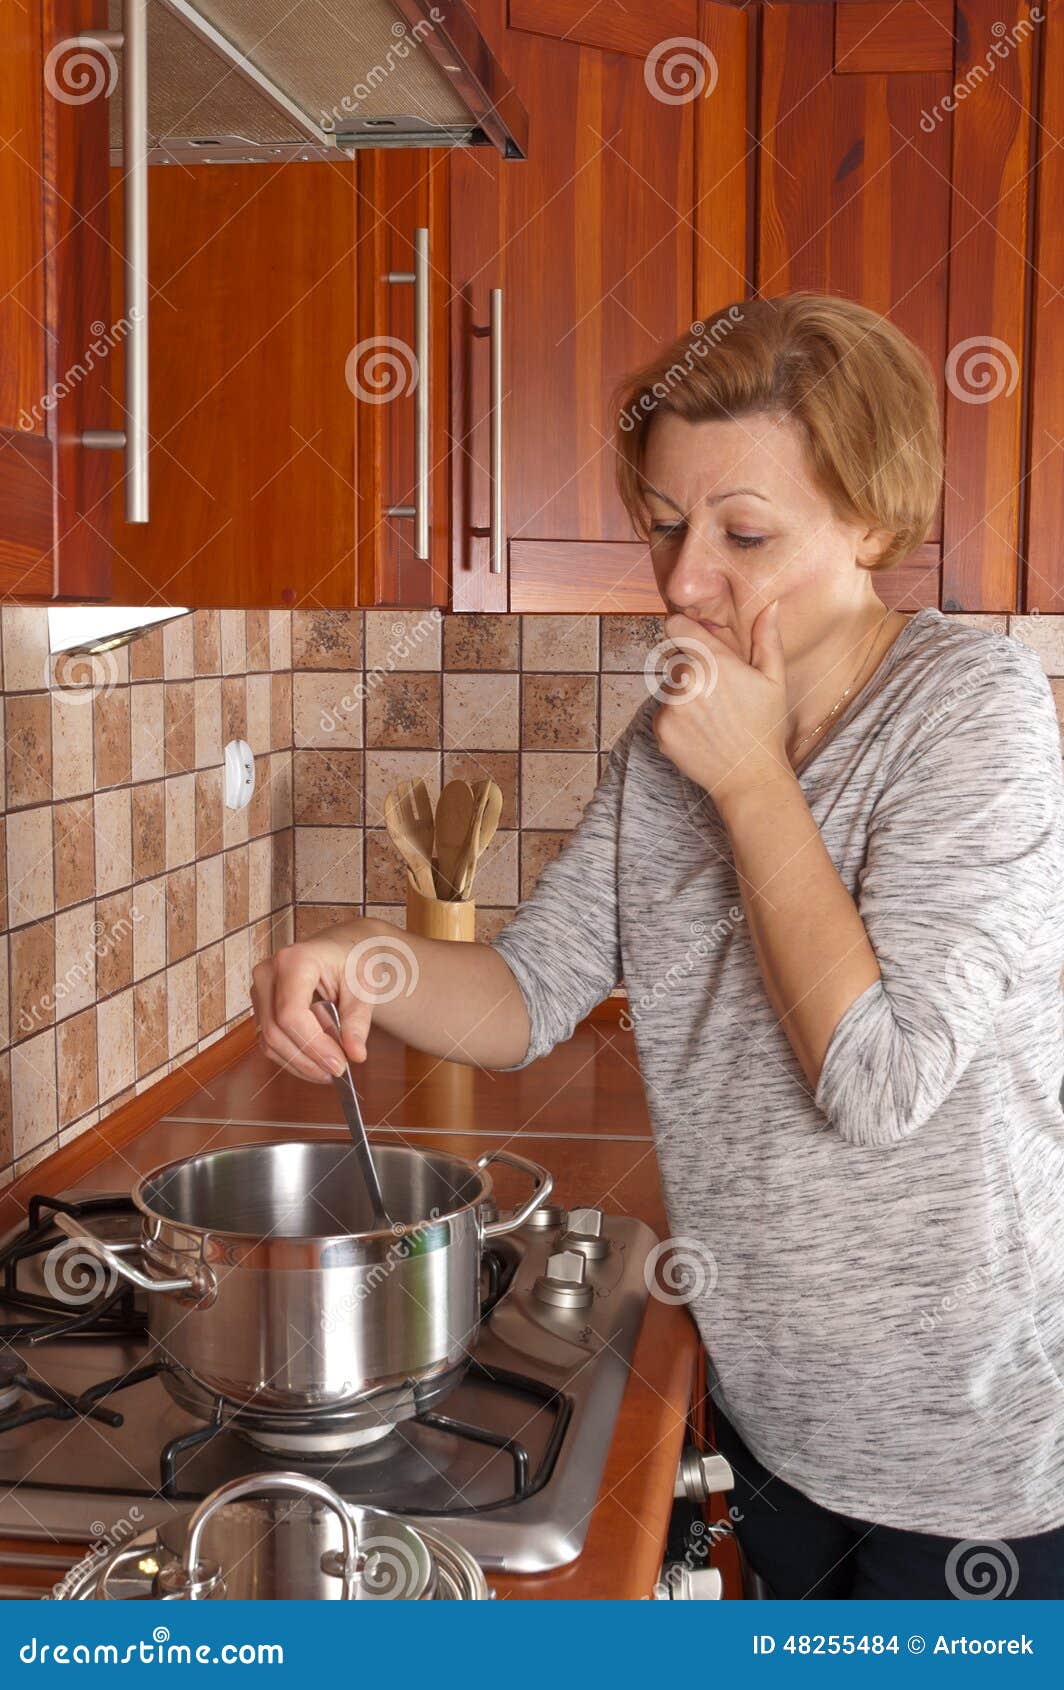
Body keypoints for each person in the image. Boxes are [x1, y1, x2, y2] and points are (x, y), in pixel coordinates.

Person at [252, 292, 1064, 1599]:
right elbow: (526, 993)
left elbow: (879, 1080)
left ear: (869, 520)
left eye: (745, 532)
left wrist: (752, 780)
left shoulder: (973, 711)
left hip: (965, 1474)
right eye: (667, 526)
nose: (686, 581)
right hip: (770, 1421)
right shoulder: (672, 748)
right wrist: (367, 955)